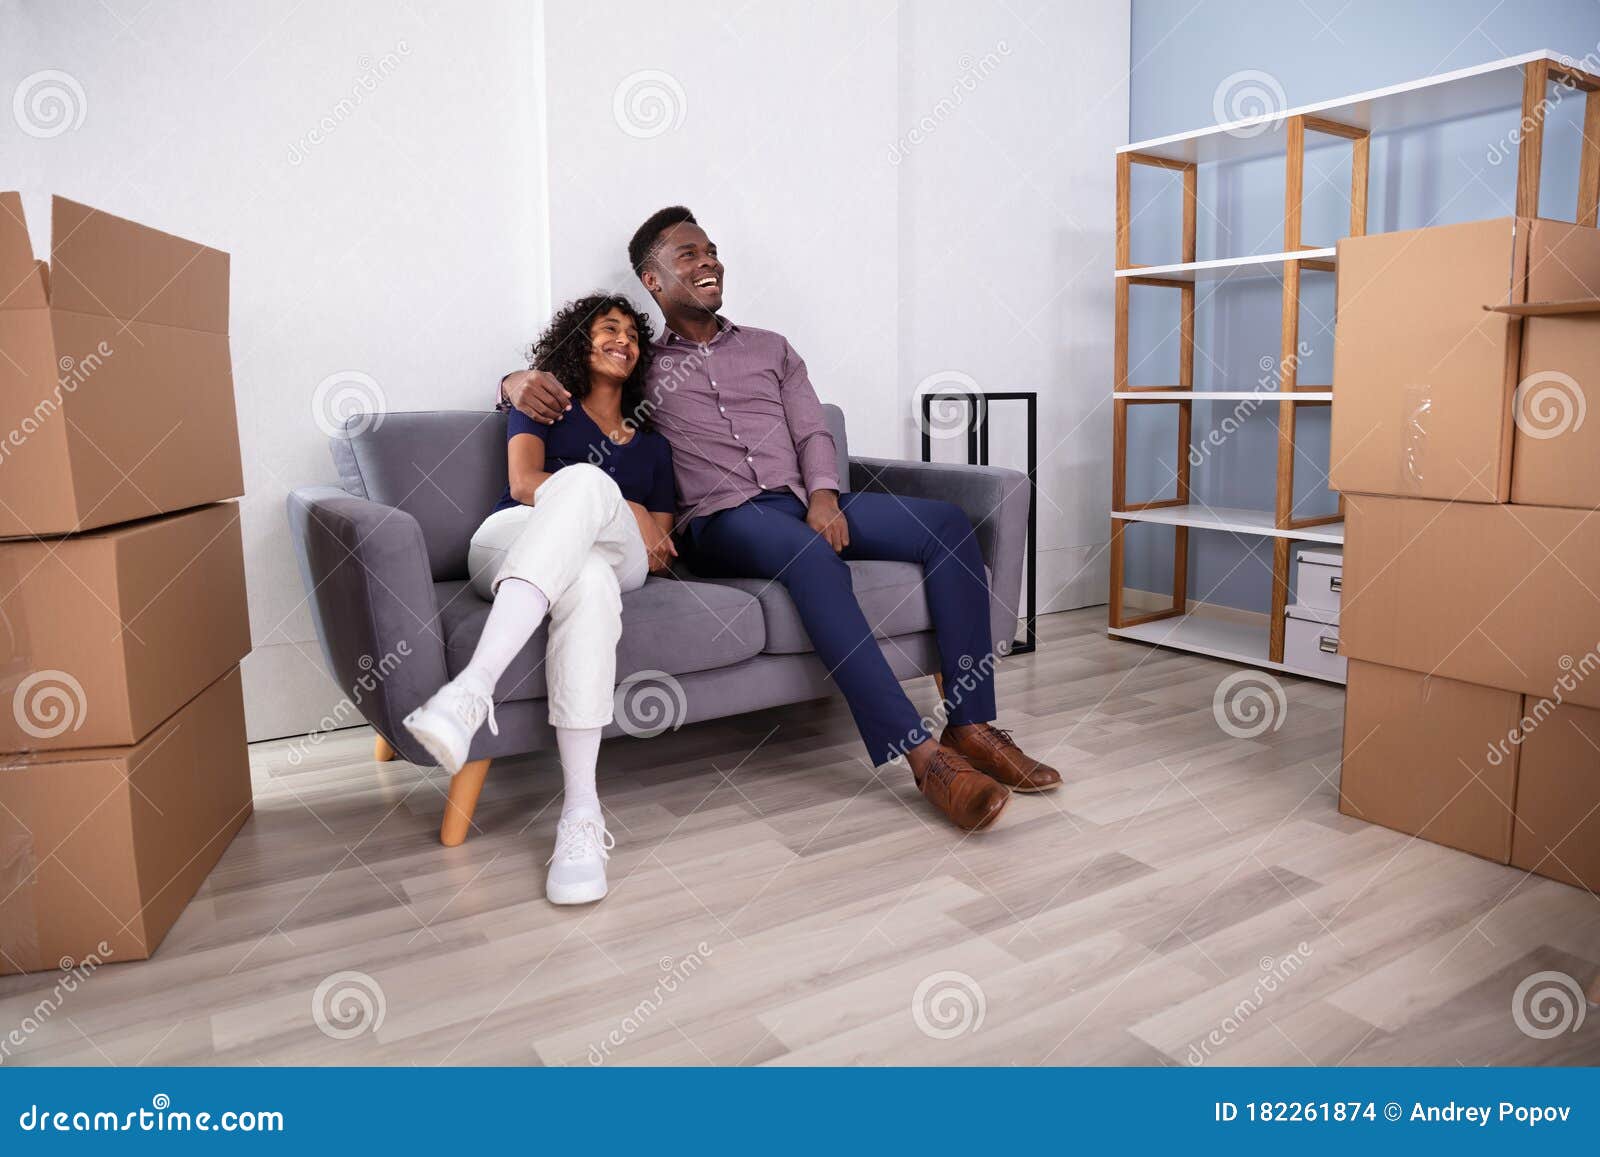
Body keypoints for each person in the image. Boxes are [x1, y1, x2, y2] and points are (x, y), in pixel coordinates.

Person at [502, 207, 1062, 833]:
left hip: (801, 501)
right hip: (722, 520)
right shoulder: (643, 366)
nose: (708, 260)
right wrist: (513, 380)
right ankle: (923, 758)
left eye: (710, 250)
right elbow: (570, 386)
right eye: (687, 254)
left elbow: (812, 429)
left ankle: (971, 724)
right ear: (653, 281)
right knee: (811, 557)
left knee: (950, 525)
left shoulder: (772, 348)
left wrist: (824, 497)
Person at [408, 293, 676, 904]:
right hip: (512, 541)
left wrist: (625, 506)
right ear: (580, 341)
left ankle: (472, 692)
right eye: (609, 329)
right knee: (586, 574)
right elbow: (524, 485)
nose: (624, 341)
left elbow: (659, 547)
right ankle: (581, 813)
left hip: (620, 555)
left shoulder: (655, 446)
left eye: (634, 334)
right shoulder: (542, 406)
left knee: (592, 507)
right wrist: (611, 498)